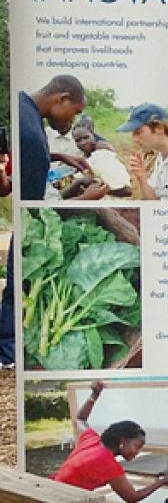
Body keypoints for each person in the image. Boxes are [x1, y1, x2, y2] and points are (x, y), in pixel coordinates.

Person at [7, 77, 103, 367]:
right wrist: (87, 199)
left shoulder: (24, 108)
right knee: (18, 286)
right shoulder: (33, 136)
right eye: (75, 111)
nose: (73, 121)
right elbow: (36, 212)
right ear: (61, 99)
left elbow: (26, 159)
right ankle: (9, 355)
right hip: (27, 232)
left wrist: (56, 156)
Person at [53, 380, 168, 499]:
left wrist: (94, 395)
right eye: (137, 446)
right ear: (123, 441)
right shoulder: (108, 463)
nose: (137, 452)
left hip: (51, 489)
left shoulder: (91, 439)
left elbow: (80, 419)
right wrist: (162, 482)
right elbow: (132, 497)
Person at [120, 105, 168, 202]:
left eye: (139, 132)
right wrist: (142, 177)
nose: (134, 139)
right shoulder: (161, 158)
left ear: (159, 128)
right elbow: (154, 201)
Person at [67, 124, 131, 199]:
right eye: (78, 140)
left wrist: (98, 189)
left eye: (86, 137)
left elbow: (127, 191)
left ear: (93, 135)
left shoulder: (102, 156)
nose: (83, 142)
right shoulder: (81, 159)